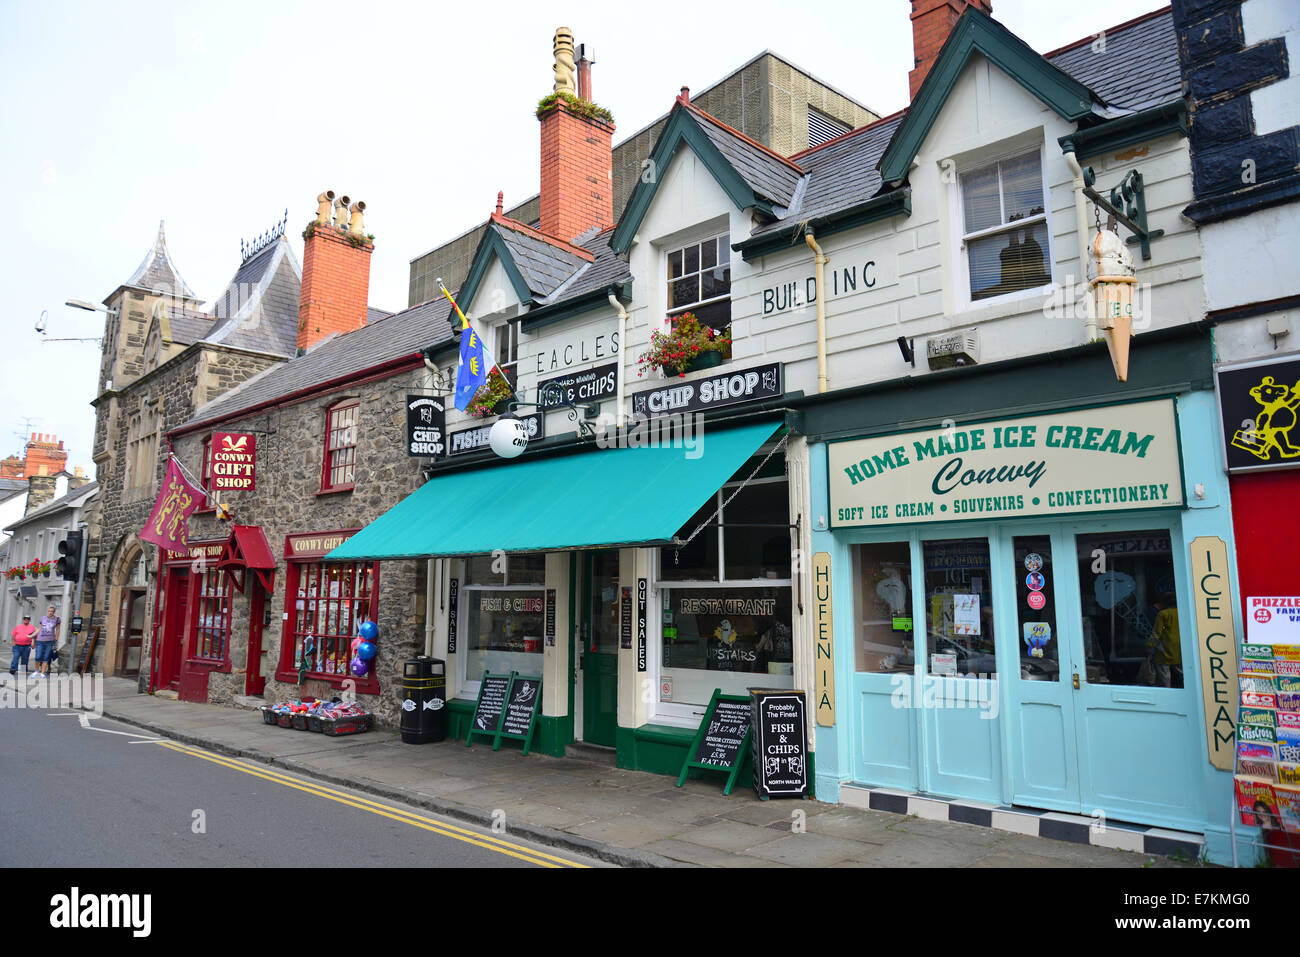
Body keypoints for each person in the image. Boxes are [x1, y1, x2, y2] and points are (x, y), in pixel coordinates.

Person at [33, 604, 60, 677]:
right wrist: (33, 635)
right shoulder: (43, 618)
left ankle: (42, 672)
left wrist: (56, 638)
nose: (50, 612)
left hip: (49, 640)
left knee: (46, 657)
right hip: (40, 639)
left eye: (52, 611)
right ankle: (36, 671)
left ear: (54, 612)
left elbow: (57, 629)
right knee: (38, 656)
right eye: (49, 611)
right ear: (47, 611)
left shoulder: (57, 619)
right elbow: (39, 628)